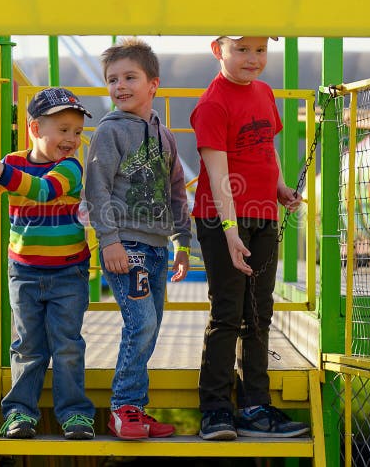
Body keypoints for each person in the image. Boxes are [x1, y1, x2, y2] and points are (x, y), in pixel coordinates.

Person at [191, 36, 308, 440]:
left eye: (259, 50)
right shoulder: (213, 103)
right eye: (241, 50)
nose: (252, 59)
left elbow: (265, 149)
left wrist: (278, 188)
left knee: (259, 313)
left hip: (262, 215)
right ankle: (216, 410)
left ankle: (256, 406)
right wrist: (229, 232)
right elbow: (218, 175)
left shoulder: (264, 92)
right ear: (217, 50)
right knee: (228, 313)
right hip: (222, 219)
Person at [0, 87, 96, 440]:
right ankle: (19, 412)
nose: (72, 138)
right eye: (63, 129)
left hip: (68, 271)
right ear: (35, 128)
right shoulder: (13, 162)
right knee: (27, 345)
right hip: (24, 270)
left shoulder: (70, 167)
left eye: (77, 130)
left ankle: (74, 414)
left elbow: (41, 190)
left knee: (67, 343)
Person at [86, 37, 192, 440]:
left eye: (130, 77)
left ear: (154, 84)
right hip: (125, 244)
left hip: (157, 245)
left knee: (151, 325)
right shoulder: (110, 132)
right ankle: (123, 408)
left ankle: (137, 409)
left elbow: (176, 193)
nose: (120, 86)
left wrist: (183, 242)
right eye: (112, 80)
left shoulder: (164, 137)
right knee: (141, 321)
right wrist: (109, 240)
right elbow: (96, 188)